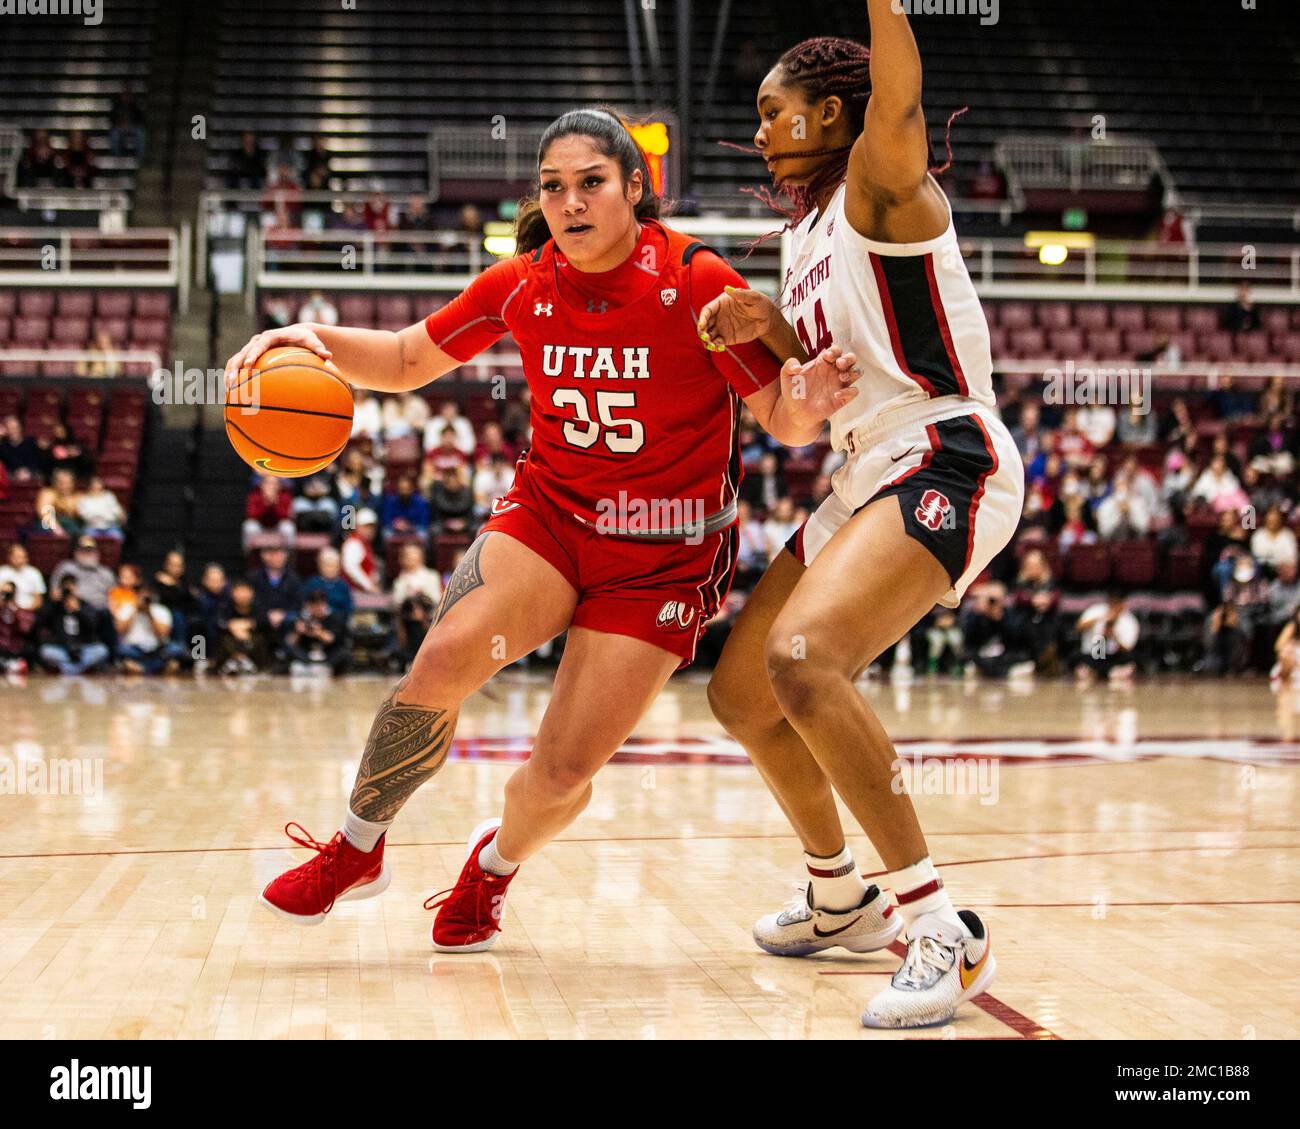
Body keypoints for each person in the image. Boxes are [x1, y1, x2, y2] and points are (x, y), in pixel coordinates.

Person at [224, 106, 848, 960]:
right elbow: (409, 359)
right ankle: (356, 846)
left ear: (636, 188)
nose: (571, 202)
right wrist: (306, 337)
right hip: (551, 517)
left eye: (591, 183)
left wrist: (807, 400)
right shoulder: (520, 282)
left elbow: (782, 416)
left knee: (558, 775)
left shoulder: (699, 282)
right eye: (553, 188)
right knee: (442, 659)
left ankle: (495, 864)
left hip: (663, 557)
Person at [702, 5, 1024, 1029]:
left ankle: (937, 923)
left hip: (945, 450)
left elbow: (902, 94)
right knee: (744, 696)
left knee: (804, 657)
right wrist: (770, 334)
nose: (758, 133)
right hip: (862, 463)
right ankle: (838, 894)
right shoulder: (803, 237)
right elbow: (813, 413)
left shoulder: (883, 181)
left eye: (773, 113)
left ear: (830, 113)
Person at [35, 580, 111, 675]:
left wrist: (79, 610)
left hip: (84, 648)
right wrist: (51, 602)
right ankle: (81, 669)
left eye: (71, 589)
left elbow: (94, 624)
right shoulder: (55, 606)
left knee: (102, 650)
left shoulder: (84, 604)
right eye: (66, 589)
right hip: (61, 648)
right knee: (45, 651)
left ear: (76, 589)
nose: (68, 592)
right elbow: (39, 621)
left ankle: (68, 669)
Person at [1075, 591, 1139, 683]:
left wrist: (1113, 637)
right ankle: (1094, 670)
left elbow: (1127, 648)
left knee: (1130, 657)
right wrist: (1098, 620)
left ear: (1123, 604)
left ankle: (1107, 671)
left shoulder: (1130, 621)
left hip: (1115, 655)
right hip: (1093, 653)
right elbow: (1079, 627)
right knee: (1079, 656)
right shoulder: (1096, 611)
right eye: (1112, 602)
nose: (1114, 606)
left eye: (1117, 603)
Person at [284, 589, 350, 675]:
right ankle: (306, 666)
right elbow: (290, 642)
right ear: (308, 606)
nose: (317, 609)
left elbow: (331, 639)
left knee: (344, 653)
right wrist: (298, 632)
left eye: (320, 605)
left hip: (328, 654)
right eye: (314, 606)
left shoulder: (334, 617)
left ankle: (325, 668)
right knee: (289, 651)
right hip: (306, 654)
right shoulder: (301, 618)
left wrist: (319, 633)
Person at [0, 579, 36, 673]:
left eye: (9, 593)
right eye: (3, 593)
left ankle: (13, 665)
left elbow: (25, 629)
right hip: (1, 647)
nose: (6, 596)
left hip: (16, 648)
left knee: (30, 650)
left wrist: (16, 609)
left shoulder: (20, 610)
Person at [0, 543, 46, 611]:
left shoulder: (34, 573)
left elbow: (38, 600)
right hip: (5, 611)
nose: (20, 560)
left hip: (28, 612)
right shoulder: (2, 572)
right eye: (17, 557)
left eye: (23, 557)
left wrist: (24, 612)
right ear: (9, 557)